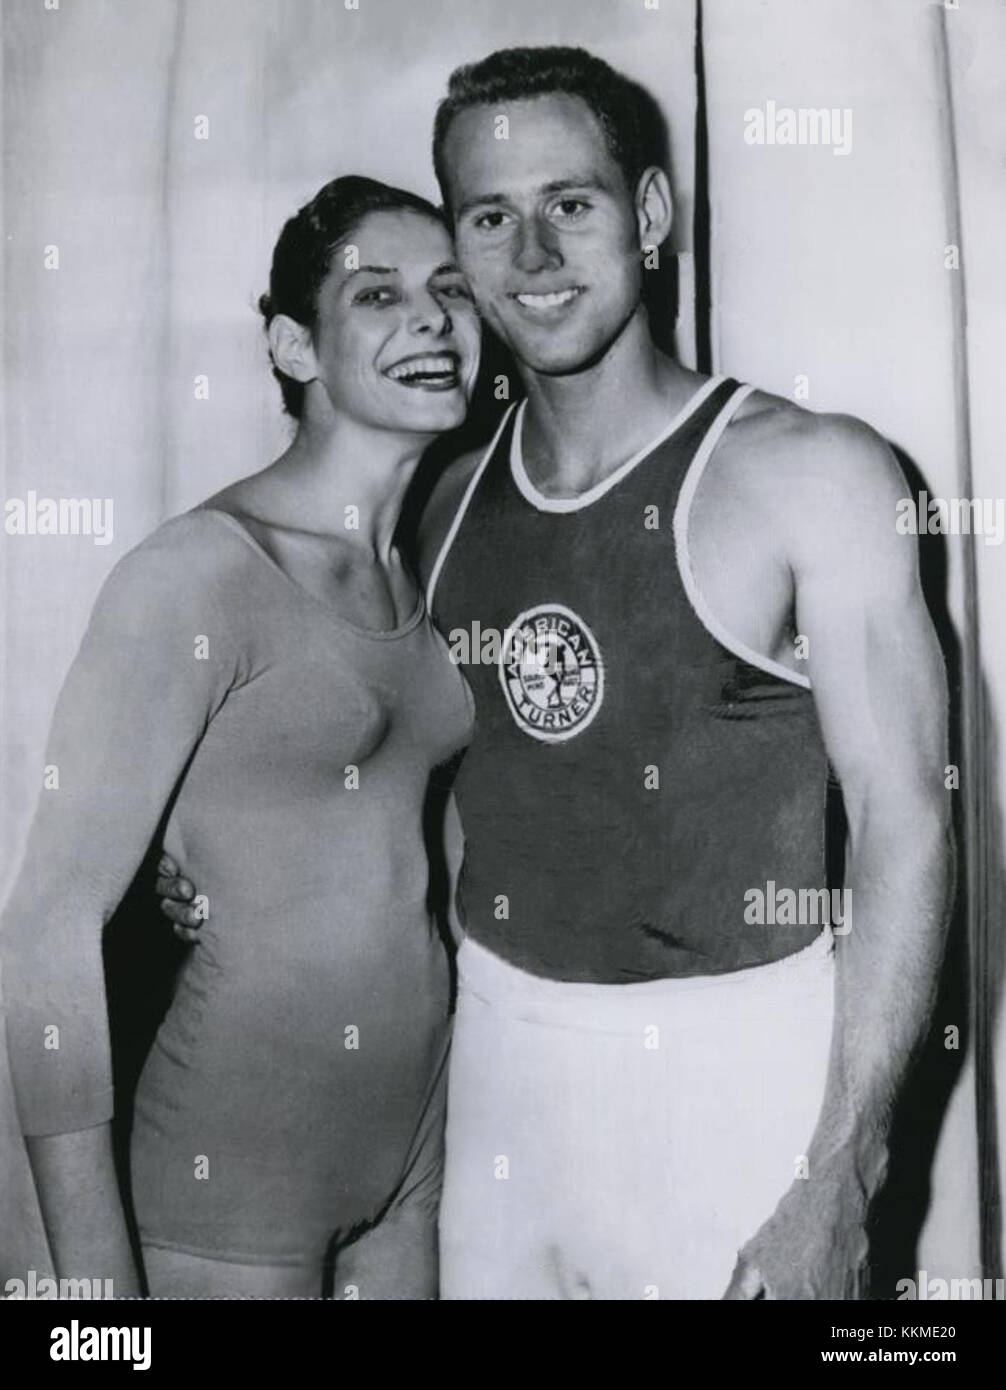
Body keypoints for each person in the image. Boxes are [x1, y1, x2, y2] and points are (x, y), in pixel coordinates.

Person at [161, 47, 954, 1300]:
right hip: (497, 1075)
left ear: (646, 216)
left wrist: (844, 1171)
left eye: (569, 204)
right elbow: (374, 764)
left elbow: (910, 821)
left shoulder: (816, 474)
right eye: (490, 217)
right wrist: (206, 852)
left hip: (739, 1077)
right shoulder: (437, 500)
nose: (531, 253)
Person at [1, 175, 479, 1298]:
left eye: (450, 287)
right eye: (377, 294)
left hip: (407, 1152)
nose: (430, 317)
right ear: (292, 345)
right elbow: (47, 927)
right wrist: (92, 1299)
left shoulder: (419, 560)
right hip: (231, 1171)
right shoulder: (198, 572)